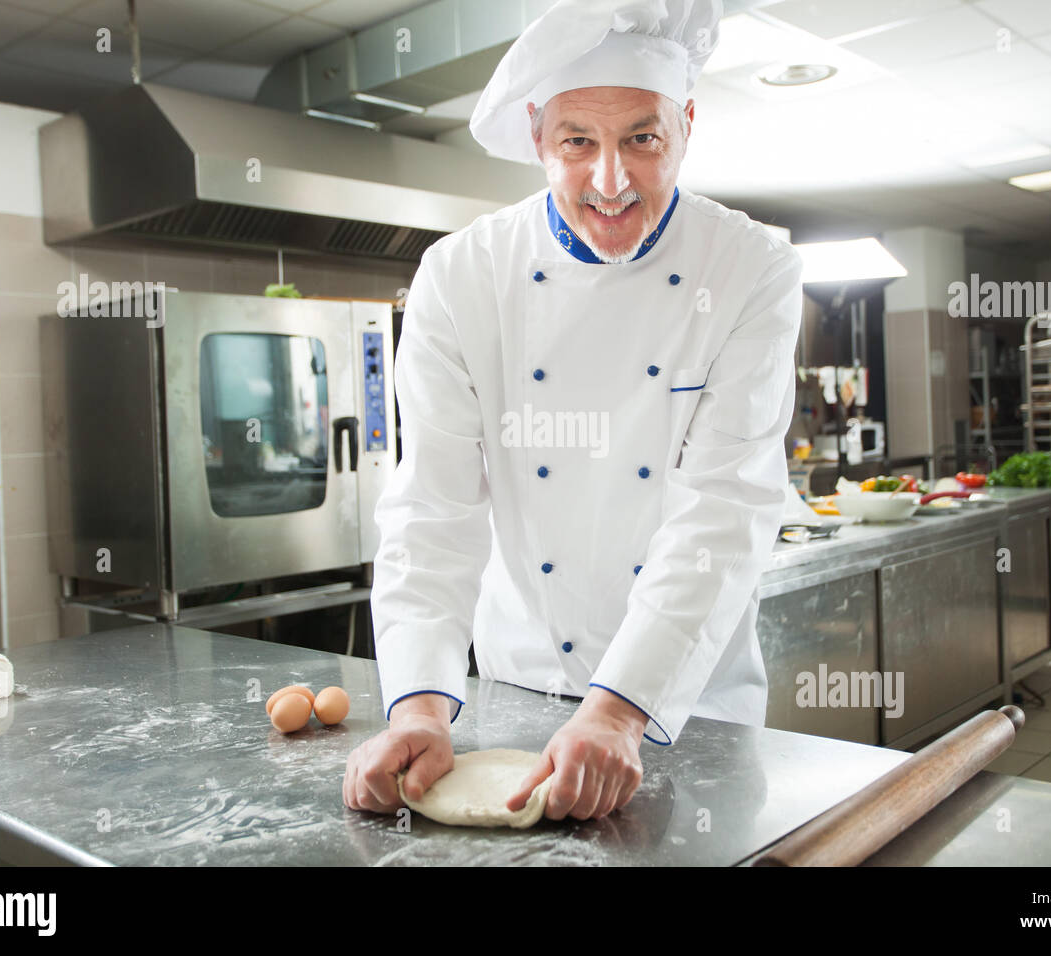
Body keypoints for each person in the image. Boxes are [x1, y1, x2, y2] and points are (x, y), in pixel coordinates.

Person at [342, 0, 803, 823]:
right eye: (578, 142)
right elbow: (433, 507)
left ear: (687, 125)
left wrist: (621, 708)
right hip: (516, 687)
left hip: (683, 703)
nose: (612, 181)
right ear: (536, 137)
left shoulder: (750, 266)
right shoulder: (461, 276)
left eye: (642, 138)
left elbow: (727, 504)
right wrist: (418, 706)